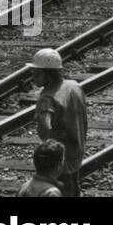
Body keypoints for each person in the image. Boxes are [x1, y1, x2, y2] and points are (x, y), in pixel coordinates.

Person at [28, 49, 87, 197]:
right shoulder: (74, 86)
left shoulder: (47, 99)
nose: (33, 77)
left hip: (57, 162)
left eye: (37, 73)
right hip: (75, 153)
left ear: (49, 74)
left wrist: (46, 156)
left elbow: (45, 127)